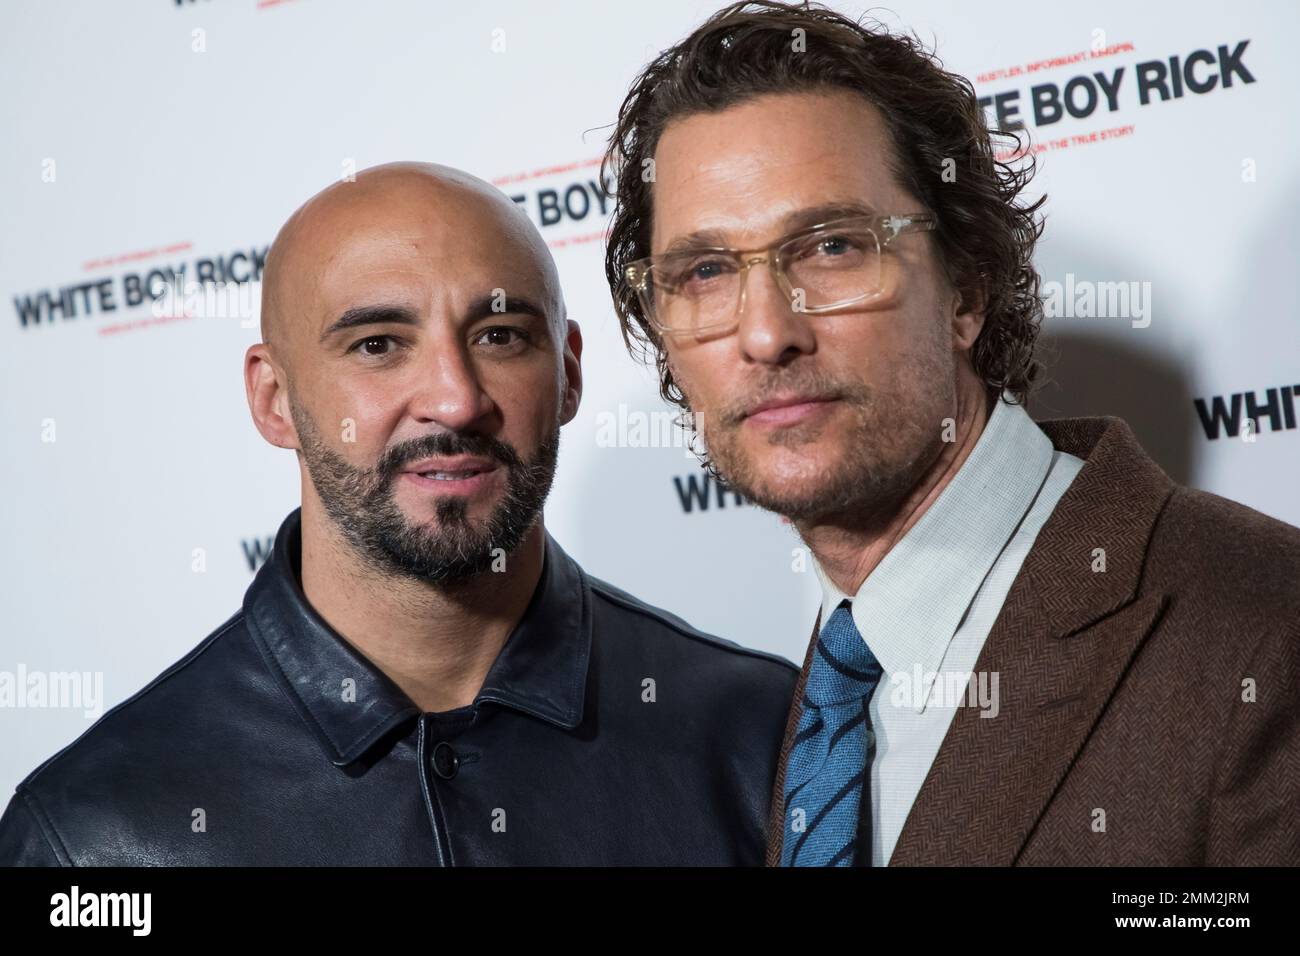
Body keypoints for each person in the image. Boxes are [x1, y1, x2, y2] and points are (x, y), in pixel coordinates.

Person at [601, 0, 1300, 865]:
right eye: (704, 272)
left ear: (966, 290)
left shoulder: (1268, 631)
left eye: (831, 248)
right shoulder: (799, 704)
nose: (765, 332)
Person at [0, 162, 796, 866]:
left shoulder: (766, 740)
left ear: (568, 374)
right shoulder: (91, 831)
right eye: (379, 345)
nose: (455, 398)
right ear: (274, 400)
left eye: (500, 335)